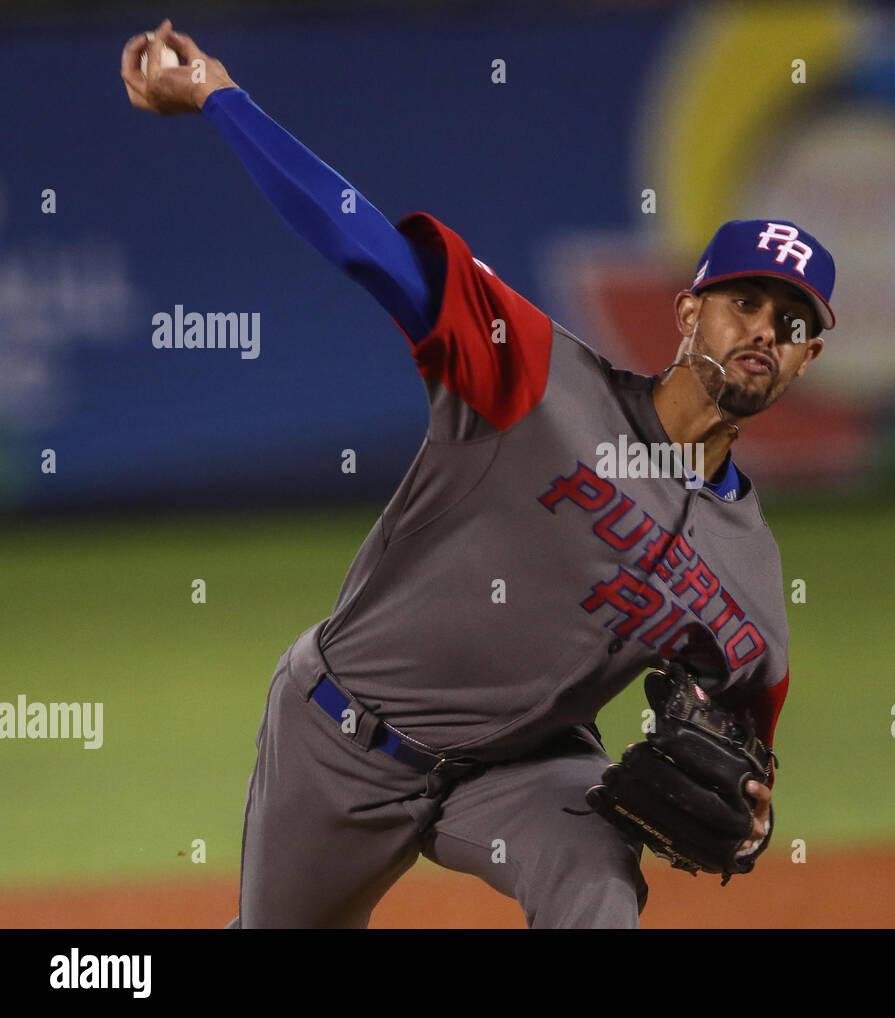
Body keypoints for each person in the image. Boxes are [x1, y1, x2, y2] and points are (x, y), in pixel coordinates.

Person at [121, 21, 835, 929]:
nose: (766, 331)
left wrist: (751, 819)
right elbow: (366, 246)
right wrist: (222, 96)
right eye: (746, 301)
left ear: (811, 360)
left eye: (794, 322)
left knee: (600, 887)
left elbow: (746, 761)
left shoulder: (754, 580)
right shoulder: (532, 376)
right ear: (690, 310)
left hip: (527, 773)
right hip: (344, 741)